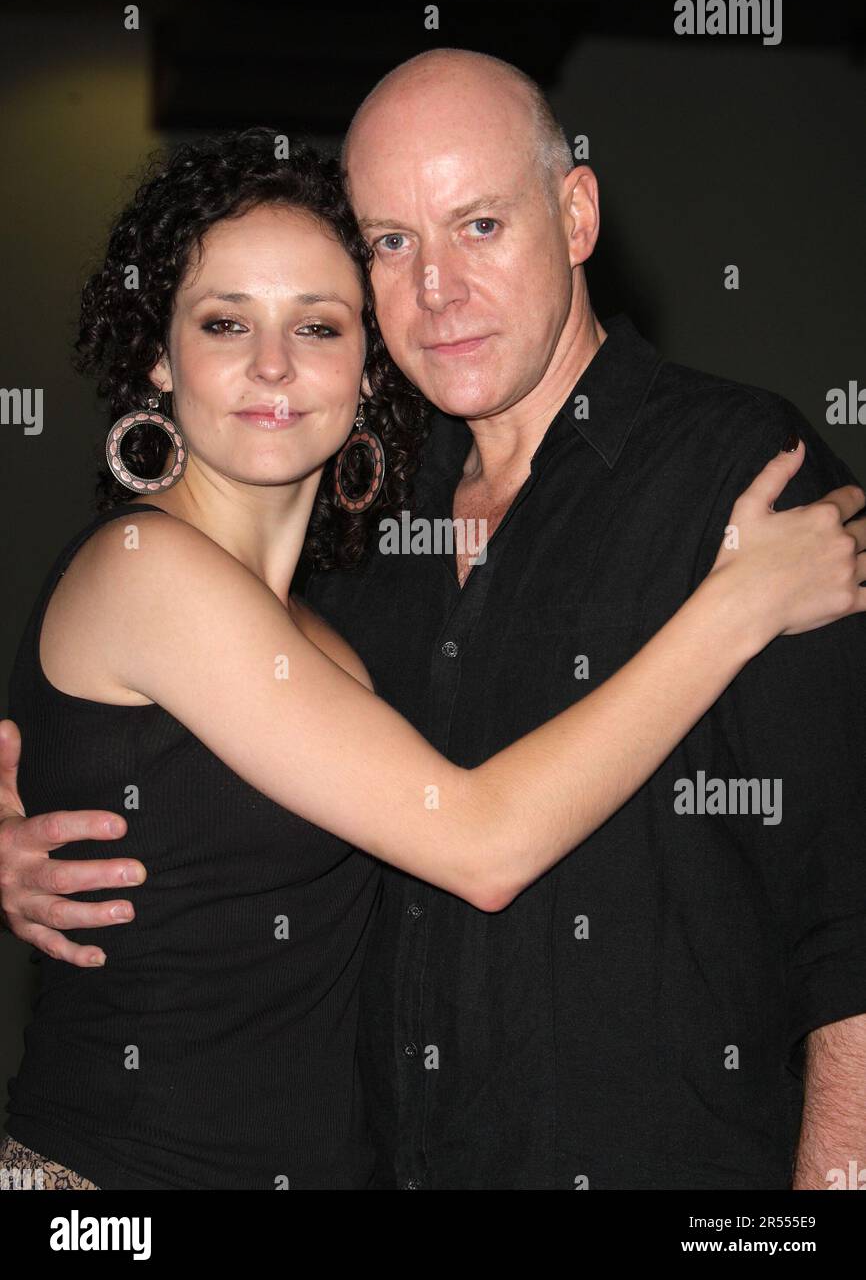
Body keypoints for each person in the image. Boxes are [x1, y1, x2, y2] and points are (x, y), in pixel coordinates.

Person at [0, 65, 864, 1190]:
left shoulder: (743, 481)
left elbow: (849, 917)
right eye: (392, 244)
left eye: (480, 225)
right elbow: (463, 839)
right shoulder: (348, 545)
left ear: (576, 216)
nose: (439, 288)